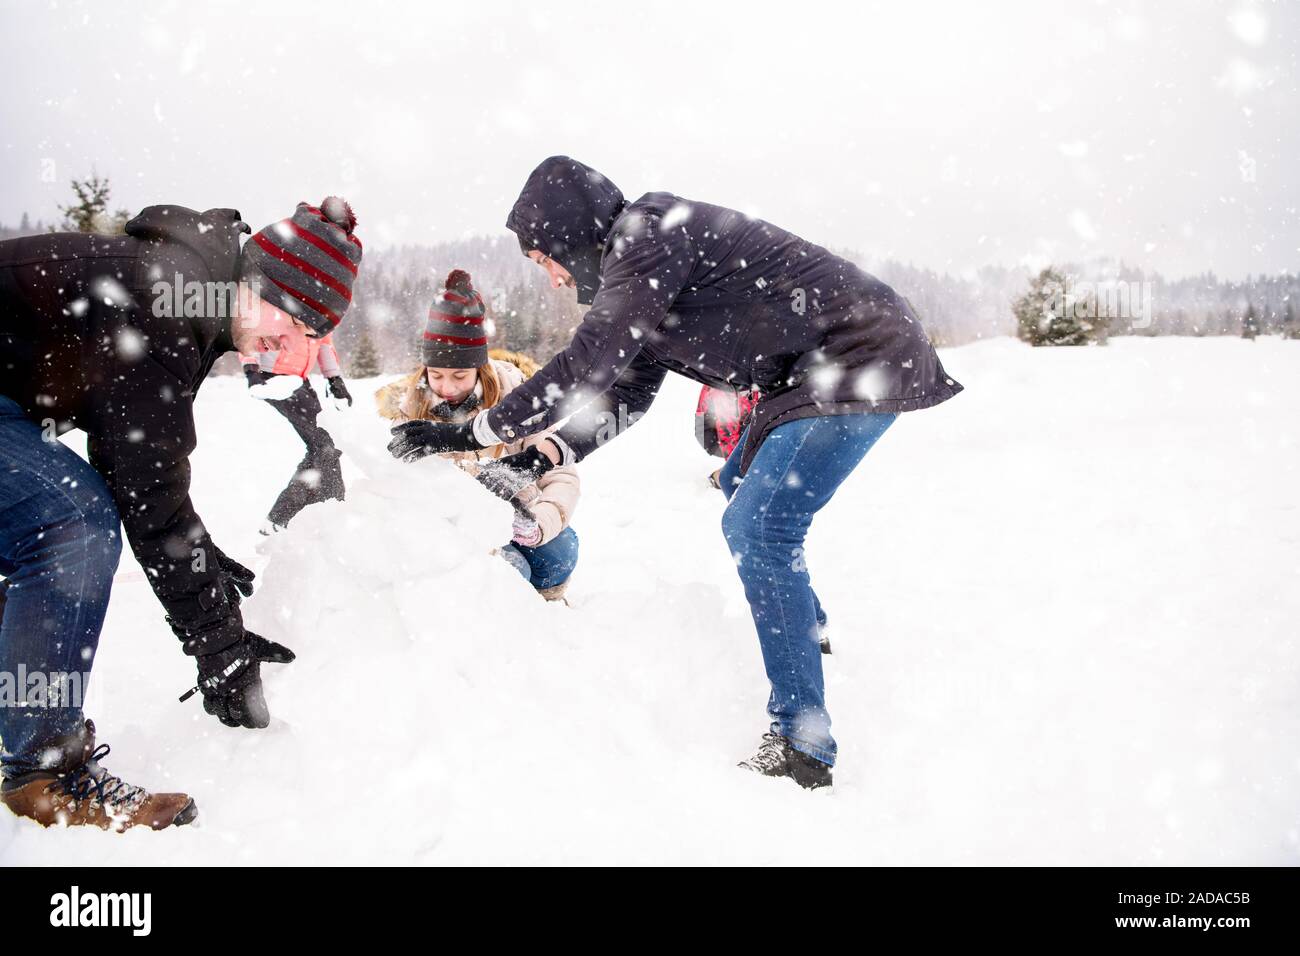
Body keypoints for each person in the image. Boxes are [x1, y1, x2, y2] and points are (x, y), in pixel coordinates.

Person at [387, 157, 963, 791]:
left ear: (568, 234)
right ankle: (809, 627)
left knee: (760, 529)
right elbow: (624, 395)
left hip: (857, 355)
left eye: (544, 259)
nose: (551, 278)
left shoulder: (648, 236)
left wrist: (474, 432)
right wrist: (542, 453)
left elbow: (587, 362)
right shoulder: (642, 273)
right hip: (807, 374)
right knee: (741, 486)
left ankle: (804, 742)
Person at [0, 197, 362, 830]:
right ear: (259, 284)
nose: (292, 345)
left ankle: (24, 722)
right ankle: (43, 772)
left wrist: (202, 557)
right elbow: (147, 493)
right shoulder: (166, 303)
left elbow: (133, 460)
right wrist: (218, 642)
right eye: (295, 319)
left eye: (311, 333)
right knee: (71, 525)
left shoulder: (191, 292)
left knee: (46, 524)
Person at [381, 270, 581, 600]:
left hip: (516, 517)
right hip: (454, 531)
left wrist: (536, 524)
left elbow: (562, 476)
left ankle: (541, 608)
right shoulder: (410, 409)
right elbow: (400, 493)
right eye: (436, 375)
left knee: (560, 549)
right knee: (512, 570)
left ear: (479, 369)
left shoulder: (517, 397)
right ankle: (495, 607)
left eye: (460, 375)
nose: (447, 388)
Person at [242, 328, 353, 533]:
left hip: (299, 379)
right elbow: (251, 330)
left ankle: (296, 515)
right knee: (324, 445)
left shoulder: (325, 314)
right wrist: (251, 370)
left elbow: (324, 344)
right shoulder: (284, 308)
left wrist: (335, 380)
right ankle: (324, 508)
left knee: (322, 446)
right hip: (273, 378)